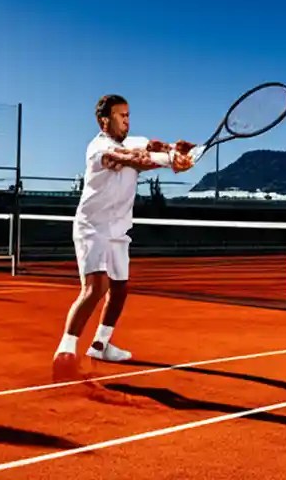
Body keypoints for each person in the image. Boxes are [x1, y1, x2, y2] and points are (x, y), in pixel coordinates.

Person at [52, 93, 194, 380]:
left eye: (128, 115)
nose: (127, 121)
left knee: (120, 288)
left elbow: (149, 146)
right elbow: (132, 159)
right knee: (96, 287)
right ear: (105, 121)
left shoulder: (131, 141)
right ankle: (65, 350)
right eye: (121, 116)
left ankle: (100, 345)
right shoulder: (98, 148)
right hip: (92, 227)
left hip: (119, 229)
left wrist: (175, 149)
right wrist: (169, 161)